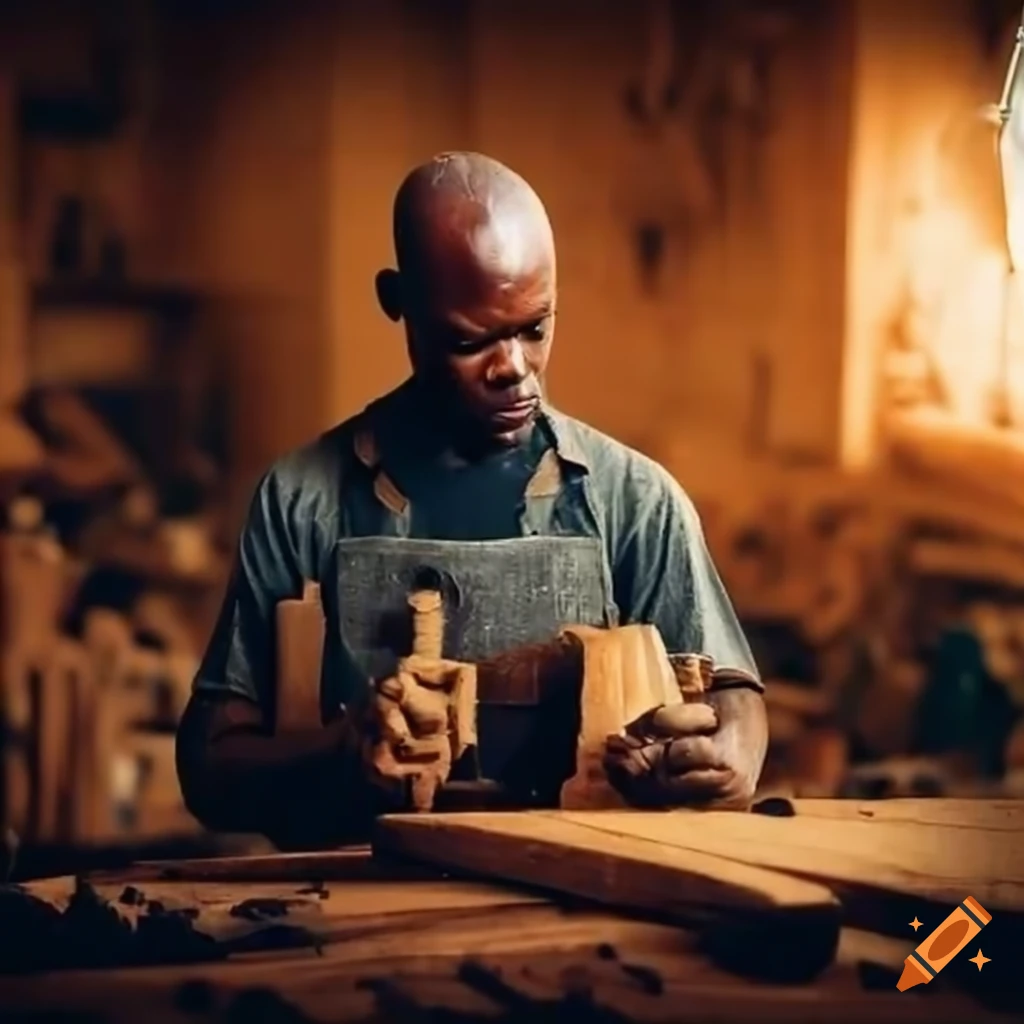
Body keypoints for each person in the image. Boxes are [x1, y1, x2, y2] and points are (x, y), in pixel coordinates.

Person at [175, 152, 767, 848]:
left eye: (535, 328)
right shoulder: (304, 501)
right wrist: (339, 757)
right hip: (350, 905)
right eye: (469, 339)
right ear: (398, 302)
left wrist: (730, 754)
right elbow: (209, 769)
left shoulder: (632, 501)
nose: (513, 368)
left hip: (578, 904)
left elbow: (735, 699)